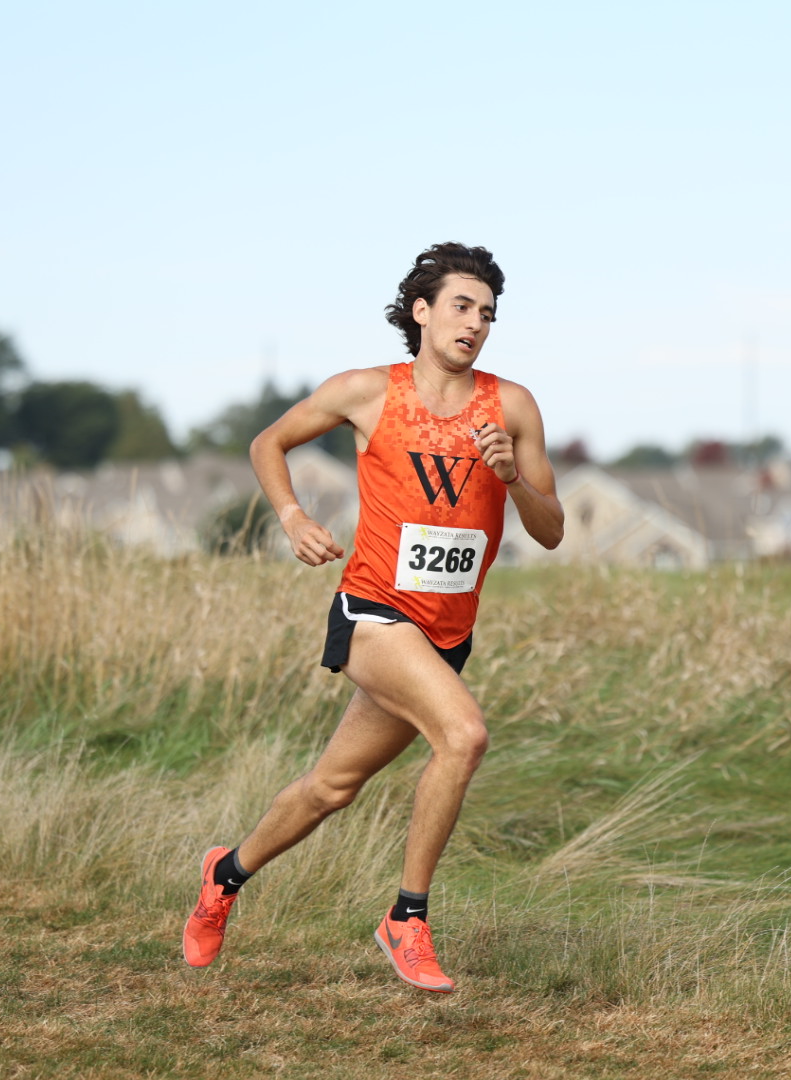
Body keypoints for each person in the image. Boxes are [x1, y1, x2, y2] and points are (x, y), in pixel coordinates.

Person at [183, 242, 564, 993]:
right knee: (464, 735)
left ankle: (223, 875)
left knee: (330, 788)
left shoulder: (511, 407)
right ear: (421, 311)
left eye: (488, 313)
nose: (476, 323)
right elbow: (270, 442)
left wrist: (512, 476)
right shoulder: (367, 392)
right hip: (371, 613)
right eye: (461, 305)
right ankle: (407, 918)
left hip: (444, 637)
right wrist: (291, 517)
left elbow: (550, 530)